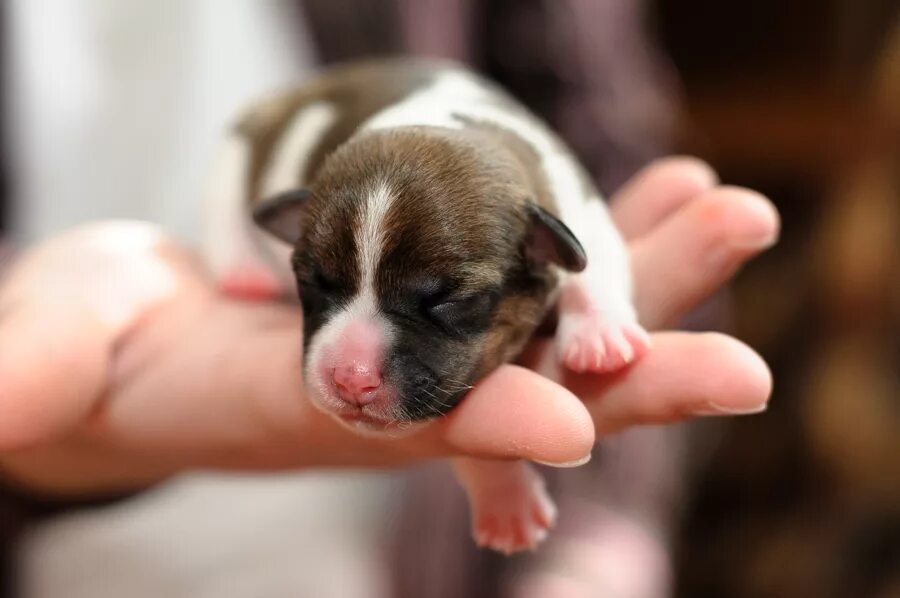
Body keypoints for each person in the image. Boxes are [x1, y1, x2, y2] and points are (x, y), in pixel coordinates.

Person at [0, 157, 778, 497]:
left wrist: (593, 551)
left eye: (444, 304)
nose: (356, 371)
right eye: (320, 288)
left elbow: (593, 143)